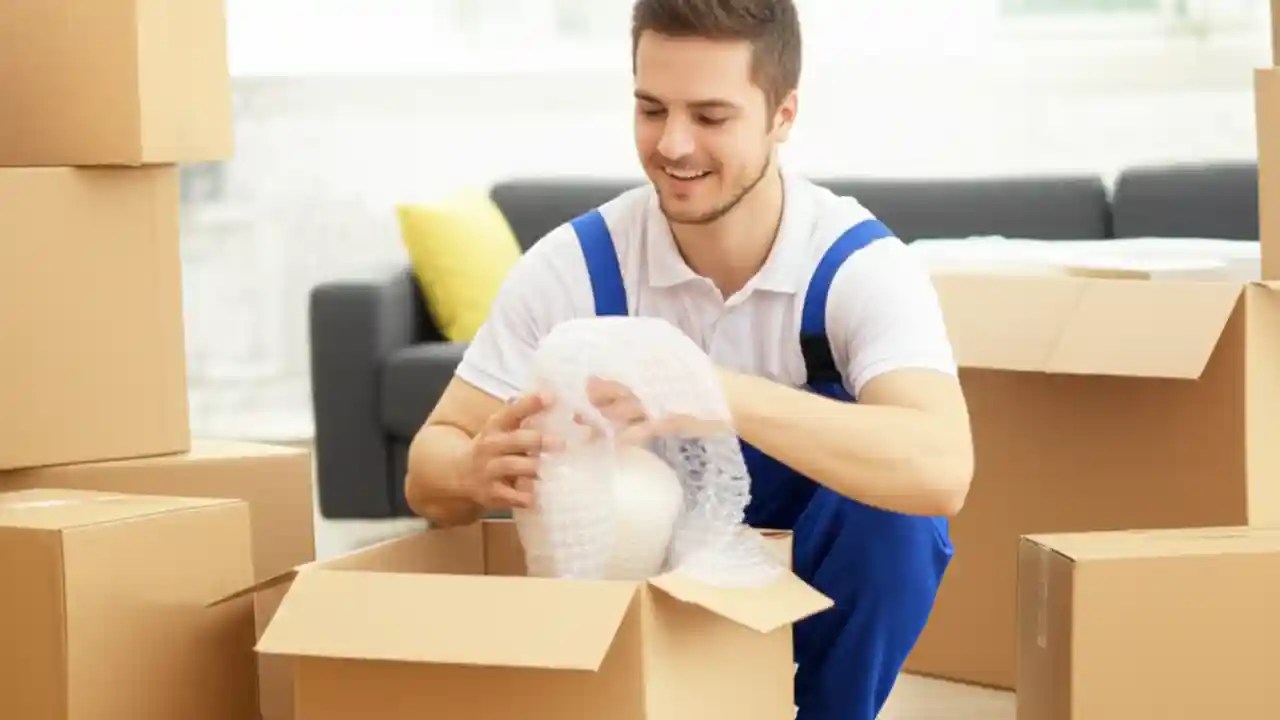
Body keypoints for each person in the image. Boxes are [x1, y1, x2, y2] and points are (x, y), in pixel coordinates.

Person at [404, 1, 974, 718]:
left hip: (806, 564)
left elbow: (940, 470)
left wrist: (702, 388)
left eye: (710, 116)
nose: (673, 145)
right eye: (652, 110)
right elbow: (429, 469)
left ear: (782, 115)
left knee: (894, 515)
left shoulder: (854, 267)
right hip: (636, 586)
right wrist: (470, 469)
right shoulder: (576, 268)